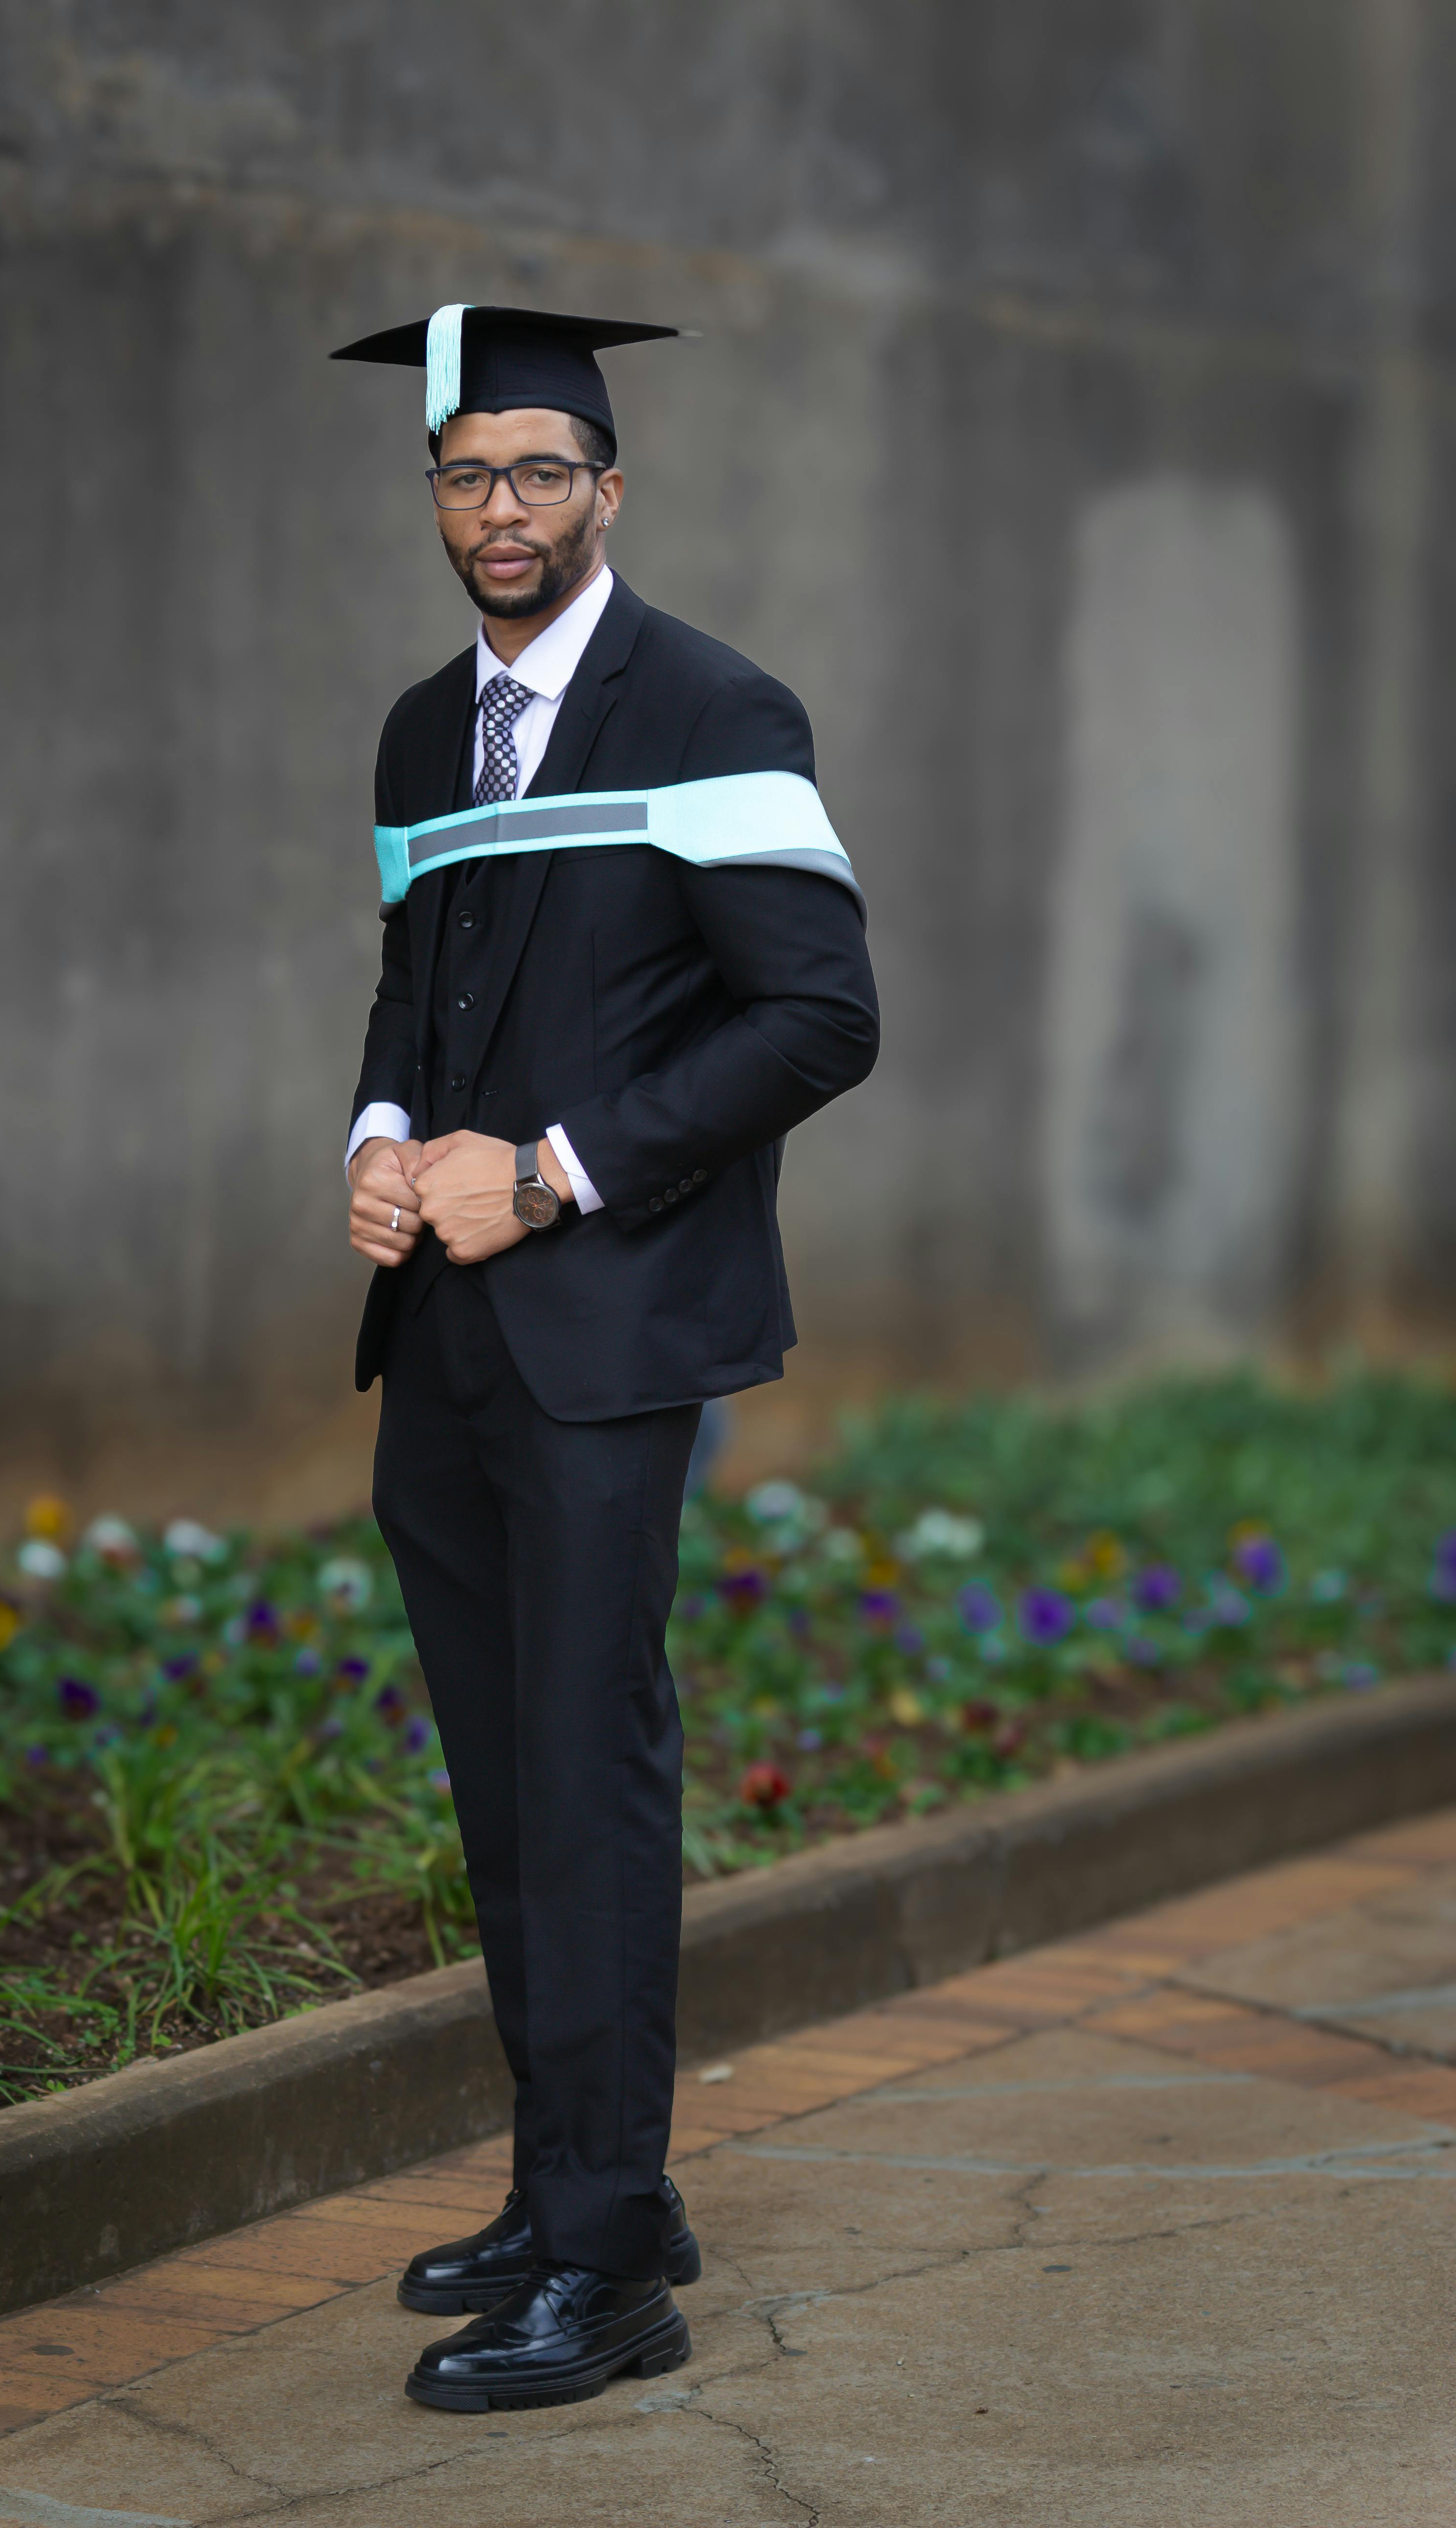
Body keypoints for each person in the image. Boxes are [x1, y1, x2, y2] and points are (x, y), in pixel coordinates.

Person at [331, 302, 880, 2413]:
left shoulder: (715, 707)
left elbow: (820, 1020)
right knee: (502, 1779)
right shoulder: (423, 732)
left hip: (611, 1328)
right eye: (469, 472)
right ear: (437, 496)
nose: (505, 507)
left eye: (541, 472)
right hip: (444, 1330)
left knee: (587, 1768)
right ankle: (578, 2183)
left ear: (608, 490)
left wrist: (550, 1172)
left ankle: (608, 2268)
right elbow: (414, 986)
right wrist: (384, 1141)